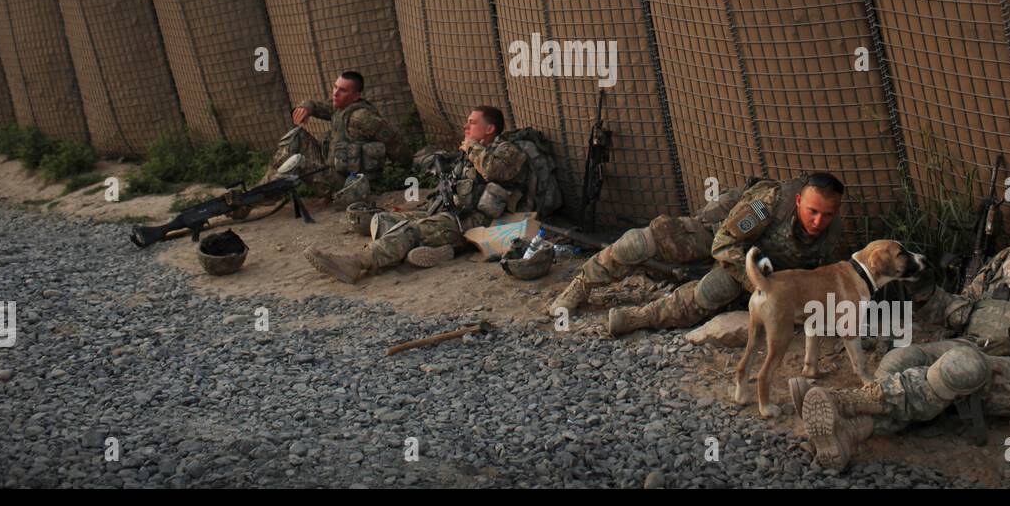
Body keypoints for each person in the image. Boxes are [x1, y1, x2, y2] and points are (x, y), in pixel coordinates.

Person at [794, 174, 1010, 472]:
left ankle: (846, 403)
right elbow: (961, 310)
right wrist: (926, 292)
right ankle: (852, 432)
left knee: (961, 366)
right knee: (901, 358)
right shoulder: (1006, 258)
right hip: (970, 343)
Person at [304, 105, 535, 282]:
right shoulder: (469, 154)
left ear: (490, 129)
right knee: (385, 219)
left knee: (408, 230)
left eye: (472, 123)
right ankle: (437, 250)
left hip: (474, 223)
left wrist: (472, 147)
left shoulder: (507, 151)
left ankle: (357, 263)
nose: (466, 127)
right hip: (449, 214)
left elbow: (495, 170)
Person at [605, 173, 847, 336]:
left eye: (827, 215)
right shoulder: (768, 205)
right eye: (812, 211)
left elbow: (822, 275)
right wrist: (756, 284)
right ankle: (641, 317)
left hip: (769, 271)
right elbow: (724, 243)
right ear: (798, 201)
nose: (818, 221)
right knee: (712, 287)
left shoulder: (834, 233)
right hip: (727, 245)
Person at [548, 187, 744, 315]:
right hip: (716, 237)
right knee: (635, 243)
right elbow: (732, 220)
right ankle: (581, 284)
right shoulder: (766, 199)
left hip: (746, 266)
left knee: (716, 288)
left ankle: (636, 320)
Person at [267, 70, 407, 195]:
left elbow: (394, 142)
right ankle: (262, 188)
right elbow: (316, 105)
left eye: (343, 90)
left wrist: (405, 172)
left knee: (297, 163)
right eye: (335, 87)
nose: (335, 93)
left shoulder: (362, 117)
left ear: (356, 96)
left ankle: (259, 196)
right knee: (297, 135)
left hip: (347, 183)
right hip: (331, 169)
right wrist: (306, 107)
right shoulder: (340, 107)